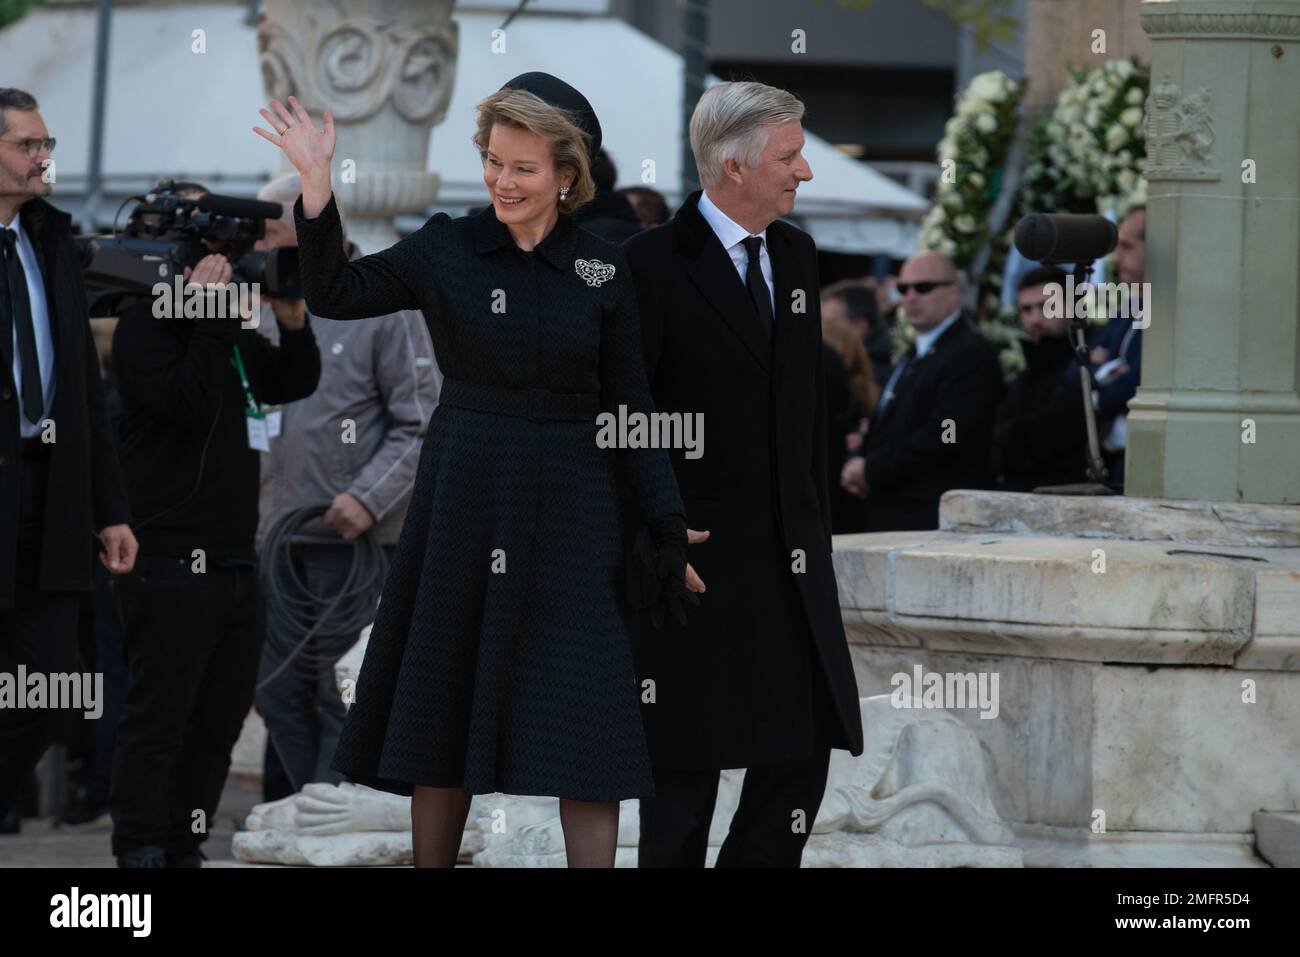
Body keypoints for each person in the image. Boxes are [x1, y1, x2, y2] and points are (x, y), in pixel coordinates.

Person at [253, 72, 698, 868]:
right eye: (494, 161)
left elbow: (632, 405)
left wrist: (664, 524)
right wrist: (318, 189)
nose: (503, 180)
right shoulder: (449, 245)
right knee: (445, 702)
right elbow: (336, 291)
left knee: (587, 716)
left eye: (524, 167)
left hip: (577, 506)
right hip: (466, 492)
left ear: (567, 175)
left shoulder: (602, 269)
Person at [624, 80, 864, 868]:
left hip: (793, 570)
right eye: (790, 157)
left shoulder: (796, 256)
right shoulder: (649, 266)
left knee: (799, 766)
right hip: (691, 566)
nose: (805, 172)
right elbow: (625, 419)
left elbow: (802, 419)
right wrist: (655, 533)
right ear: (732, 168)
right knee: (682, 791)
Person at [109, 181, 322, 867]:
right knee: (160, 717)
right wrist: (204, 311)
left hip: (235, 557)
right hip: (168, 556)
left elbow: (290, 382)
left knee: (218, 720)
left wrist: (291, 319)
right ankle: (140, 847)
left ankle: (183, 843)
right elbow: (193, 402)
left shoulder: (227, 333)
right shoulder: (145, 323)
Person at [252, 173, 441, 801]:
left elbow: (422, 422)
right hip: (271, 540)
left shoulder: (383, 304)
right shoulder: (252, 304)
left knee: (343, 691)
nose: (260, 240)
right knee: (275, 691)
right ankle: (303, 810)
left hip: (350, 543)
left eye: (271, 227)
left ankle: (337, 813)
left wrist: (367, 498)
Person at [0, 88, 136, 828]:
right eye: (27, 145)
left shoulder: (50, 241)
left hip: (49, 500)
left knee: (53, 686)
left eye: (44, 143)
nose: (43, 156)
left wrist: (110, 511)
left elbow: (82, 388)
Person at [840, 251, 1003, 531]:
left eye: (924, 287)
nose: (911, 296)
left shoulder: (970, 353)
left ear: (953, 293)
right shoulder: (916, 352)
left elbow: (946, 434)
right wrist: (860, 459)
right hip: (896, 510)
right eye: (903, 288)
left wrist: (872, 469)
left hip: (931, 516)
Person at [991, 266, 1089, 490]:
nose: (1035, 319)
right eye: (1026, 309)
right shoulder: (1025, 375)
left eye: (1047, 307)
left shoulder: (1085, 364)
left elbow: (1054, 431)